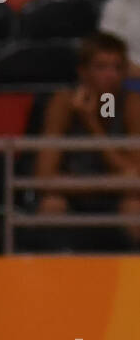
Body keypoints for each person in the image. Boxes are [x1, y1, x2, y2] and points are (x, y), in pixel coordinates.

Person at [33, 33, 140, 249]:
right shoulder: (63, 102)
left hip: (115, 199)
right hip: (75, 199)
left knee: (134, 207)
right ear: (83, 72)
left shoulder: (132, 103)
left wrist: (92, 124)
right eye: (101, 67)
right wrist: (110, 183)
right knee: (51, 205)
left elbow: (135, 177)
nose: (111, 75)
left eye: (117, 67)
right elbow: (43, 177)